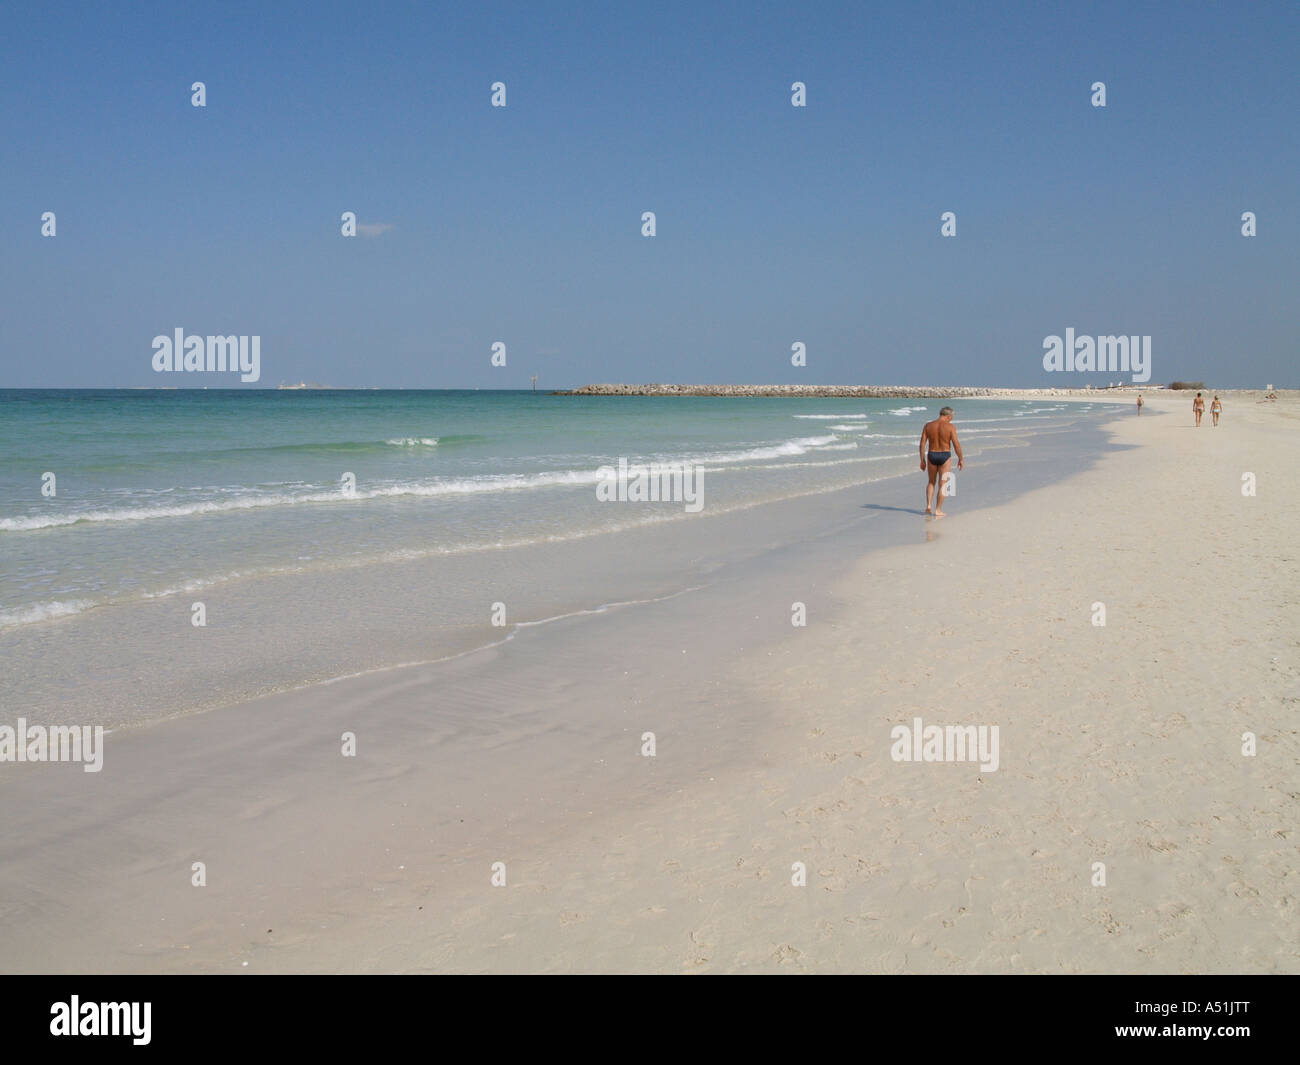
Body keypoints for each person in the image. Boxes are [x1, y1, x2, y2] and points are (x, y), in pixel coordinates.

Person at [919, 406, 963, 518]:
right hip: (945, 455)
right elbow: (956, 444)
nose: (952, 419)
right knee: (943, 484)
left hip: (932, 455)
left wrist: (922, 460)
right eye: (952, 417)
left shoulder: (928, 426)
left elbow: (922, 443)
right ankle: (938, 510)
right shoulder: (950, 427)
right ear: (949, 416)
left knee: (931, 482)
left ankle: (928, 505)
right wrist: (961, 458)